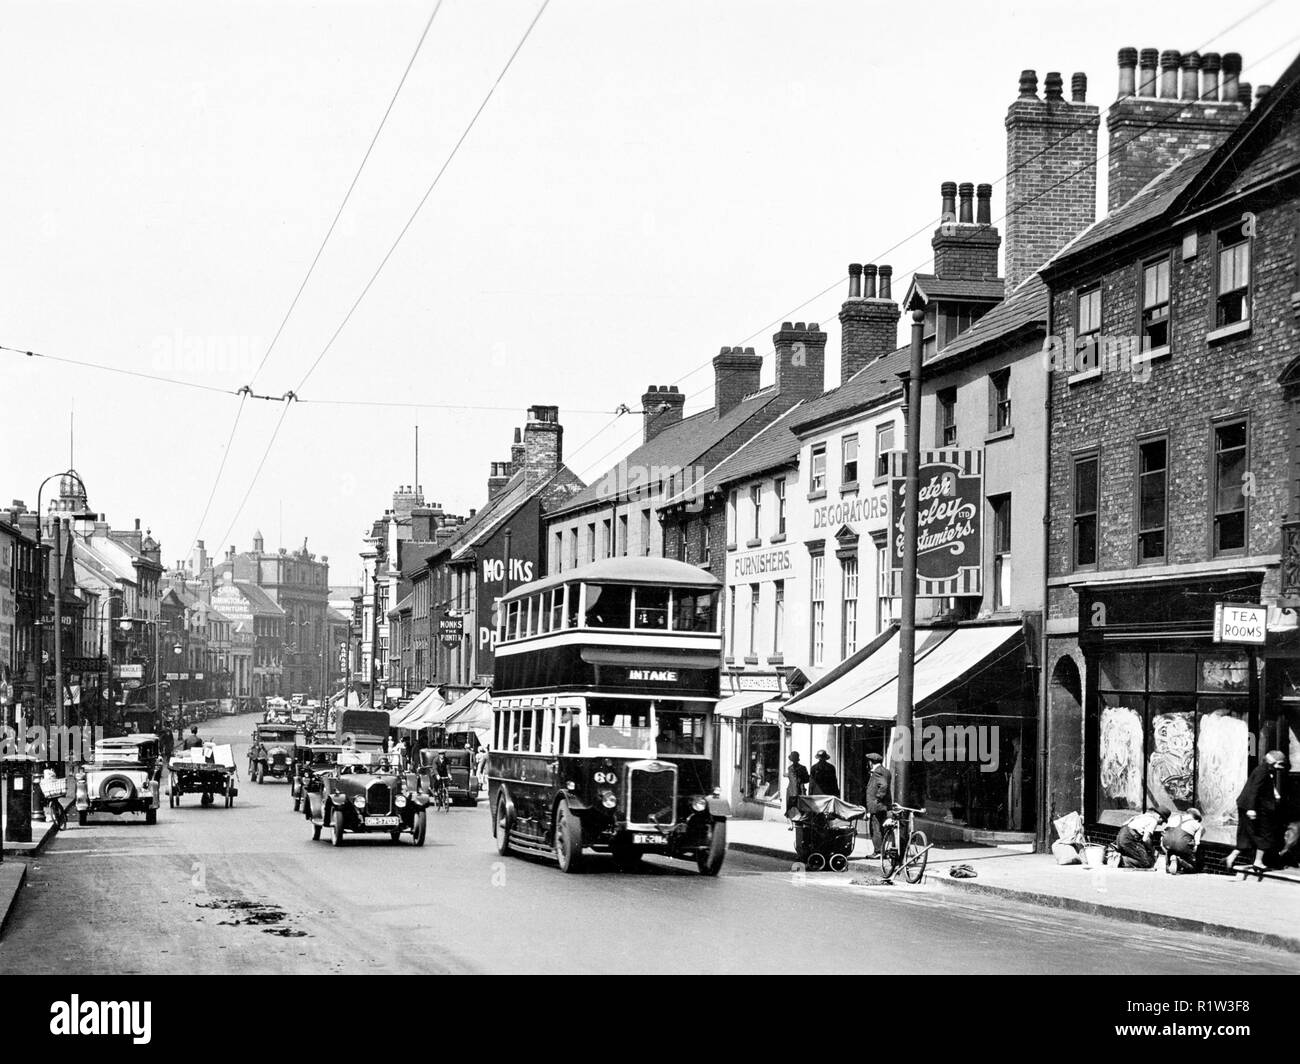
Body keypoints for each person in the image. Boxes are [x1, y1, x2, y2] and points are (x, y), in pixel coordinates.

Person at [1226, 750, 1289, 872]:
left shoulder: (1264, 770)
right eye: (1280, 764)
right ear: (1273, 762)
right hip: (1255, 808)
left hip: (1248, 806)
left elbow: (1262, 787)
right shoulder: (1262, 771)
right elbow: (1254, 789)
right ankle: (1258, 862)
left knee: (1246, 834)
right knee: (1265, 833)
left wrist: (1274, 794)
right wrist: (1251, 809)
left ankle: (1232, 856)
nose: (1280, 768)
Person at [864, 752, 892, 857]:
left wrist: (878, 798)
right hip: (884, 805)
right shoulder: (886, 771)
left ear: (871, 762)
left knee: (875, 828)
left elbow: (883, 786)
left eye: (869, 762)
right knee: (881, 828)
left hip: (877, 805)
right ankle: (881, 851)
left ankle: (878, 852)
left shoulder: (877, 772)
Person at [1161, 808, 1204, 875]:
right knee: (1192, 868)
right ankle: (1179, 861)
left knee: (1171, 849)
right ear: (1196, 818)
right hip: (1182, 845)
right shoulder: (1197, 824)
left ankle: (1168, 865)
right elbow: (1196, 844)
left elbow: (1164, 833)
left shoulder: (1172, 818)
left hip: (1166, 843)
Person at [784, 751, 809, 822]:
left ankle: (791, 823)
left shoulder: (790, 768)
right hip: (800, 789)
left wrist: (788, 775)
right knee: (801, 807)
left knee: (791, 807)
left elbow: (793, 780)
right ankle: (801, 822)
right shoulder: (803, 768)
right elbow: (807, 779)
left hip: (792, 790)